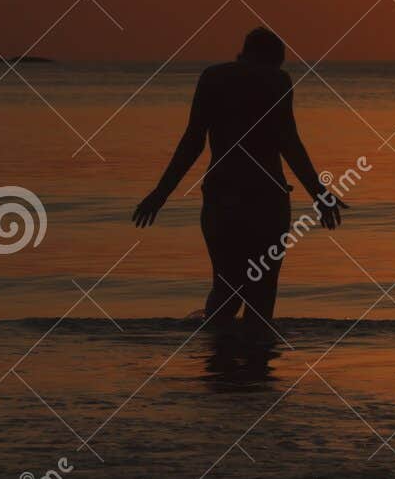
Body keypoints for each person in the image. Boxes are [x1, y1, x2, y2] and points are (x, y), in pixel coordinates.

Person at [131, 27, 344, 334]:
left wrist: (160, 194)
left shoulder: (212, 78)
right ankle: (257, 372)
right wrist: (319, 194)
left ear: (243, 52)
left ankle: (219, 366)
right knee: (263, 289)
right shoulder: (276, 81)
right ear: (274, 60)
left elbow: (193, 141)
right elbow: (289, 143)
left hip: (222, 197)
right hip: (266, 199)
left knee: (226, 285)